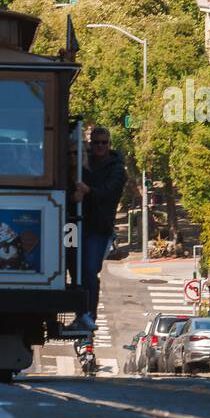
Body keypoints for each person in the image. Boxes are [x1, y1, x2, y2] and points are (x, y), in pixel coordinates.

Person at [73, 126, 126, 333]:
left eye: (104, 143)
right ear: (90, 144)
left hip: (99, 228)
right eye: (96, 143)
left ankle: (88, 315)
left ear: (109, 144)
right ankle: (80, 313)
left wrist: (88, 191)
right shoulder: (82, 162)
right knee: (73, 269)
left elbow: (110, 191)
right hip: (75, 225)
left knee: (89, 270)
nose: (100, 147)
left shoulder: (117, 168)